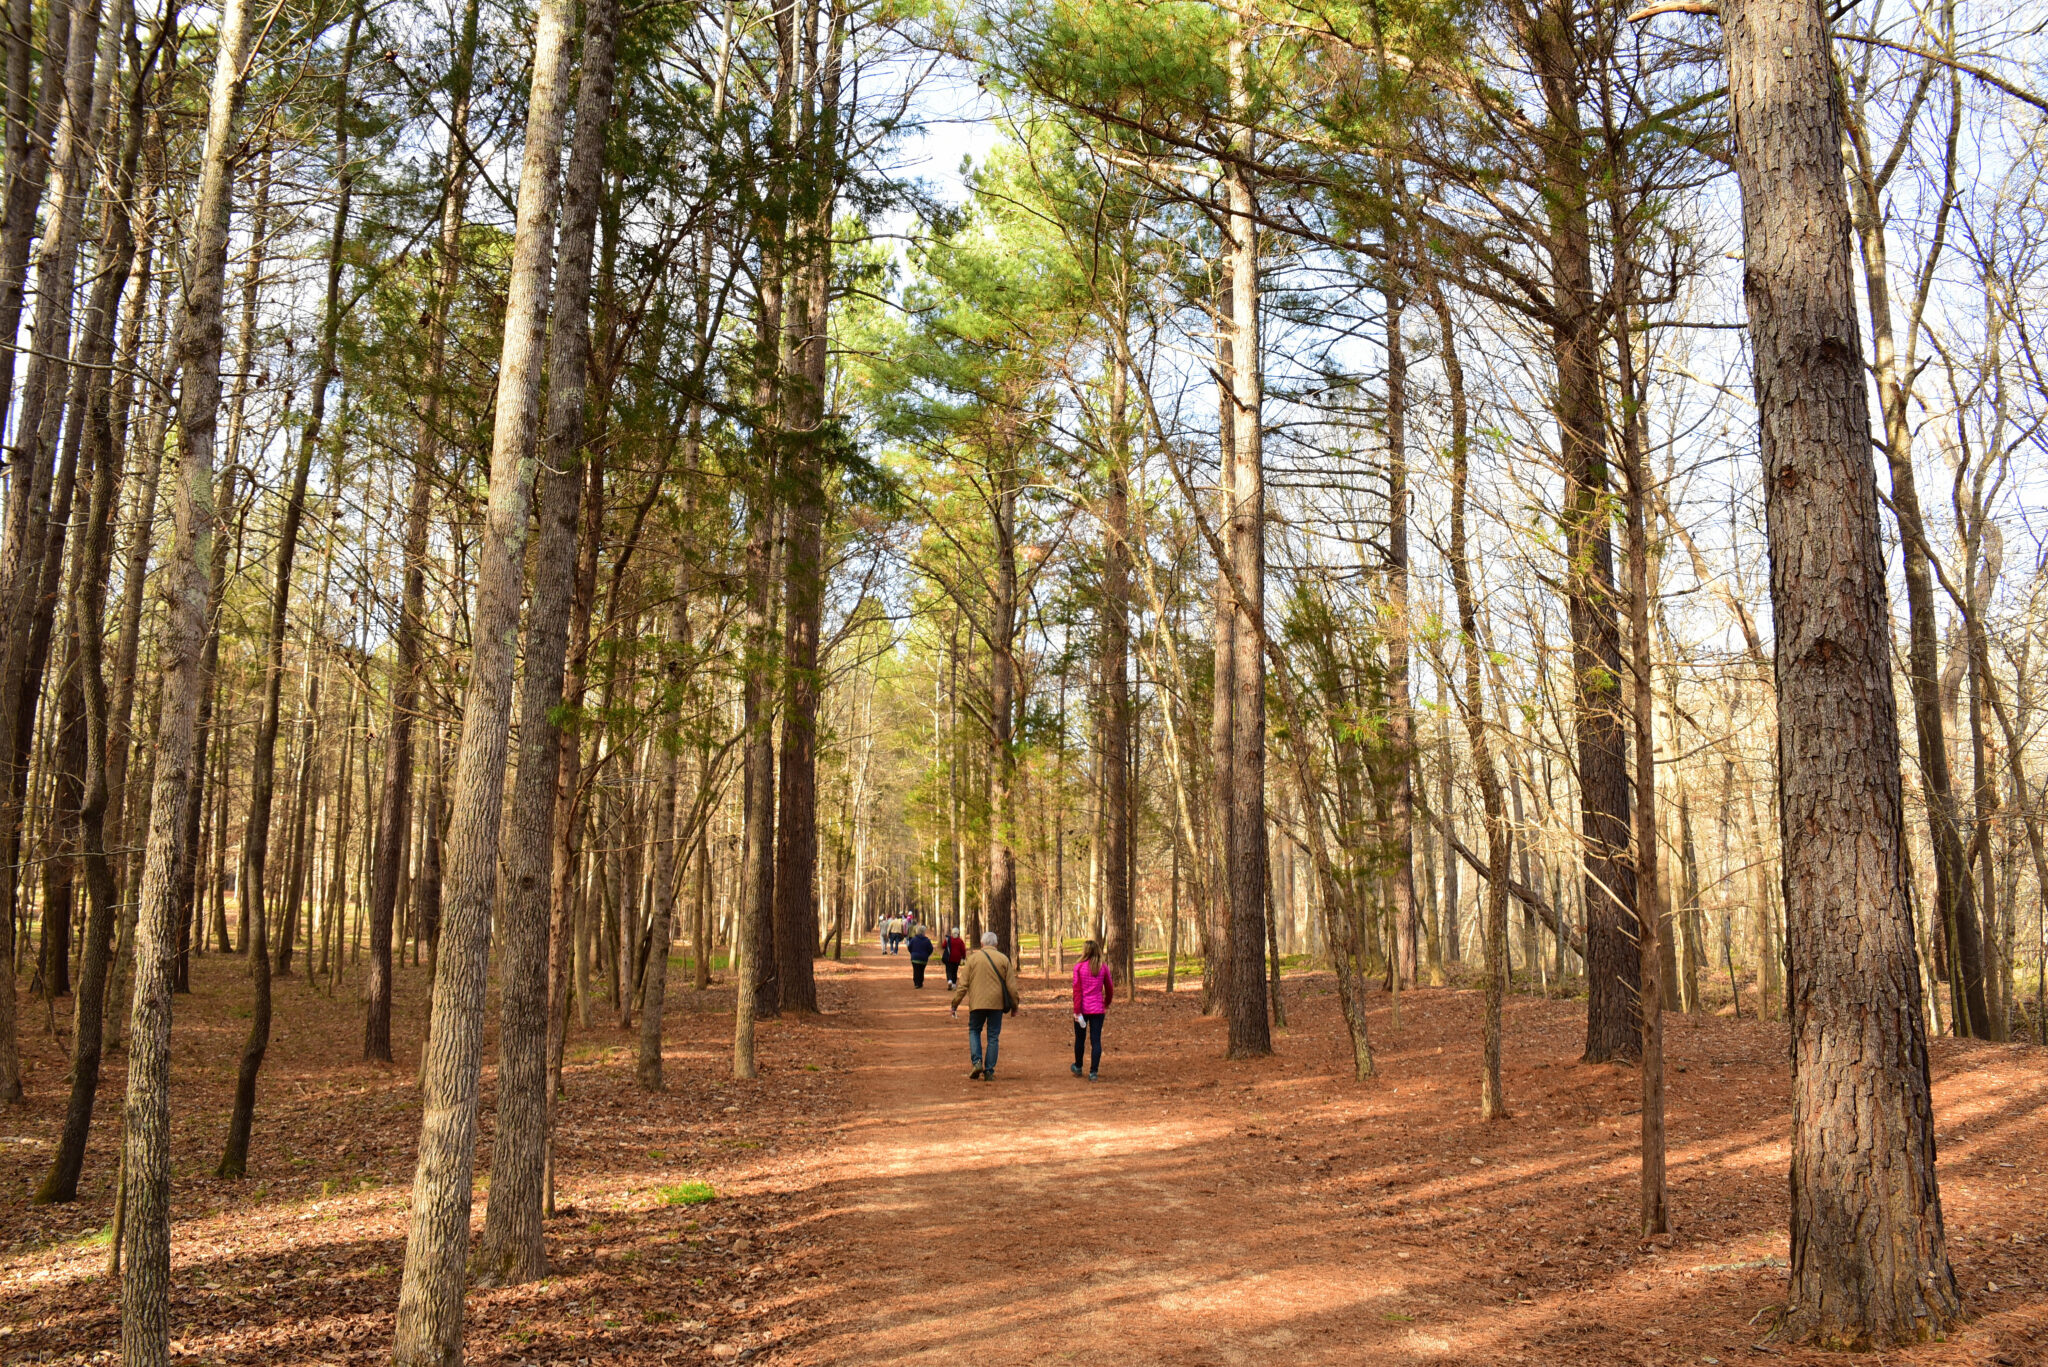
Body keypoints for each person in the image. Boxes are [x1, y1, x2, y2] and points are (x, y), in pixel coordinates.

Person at [950, 931, 1019, 1081]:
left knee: (974, 1031)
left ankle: (977, 1062)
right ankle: (989, 1071)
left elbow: (962, 985)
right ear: (996, 944)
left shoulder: (973, 959)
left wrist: (955, 1003)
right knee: (993, 1036)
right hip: (997, 1004)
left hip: (977, 1003)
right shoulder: (1003, 959)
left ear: (982, 943)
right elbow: (1012, 987)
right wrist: (1015, 1006)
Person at [1070, 939, 1115, 1081]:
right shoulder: (1103, 967)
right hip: (1097, 1009)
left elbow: (1077, 991)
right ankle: (1093, 1072)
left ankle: (1078, 1066)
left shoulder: (1079, 967)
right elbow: (1110, 988)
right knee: (1096, 1040)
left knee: (1080, 1039)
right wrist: (1106, 1003)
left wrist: (1077, 1011)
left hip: (1082, 1009)